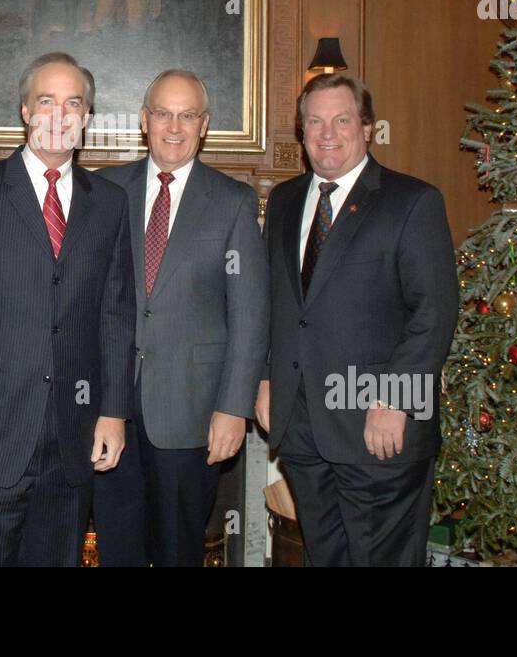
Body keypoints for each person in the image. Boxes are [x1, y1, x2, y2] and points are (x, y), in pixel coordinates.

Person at [0, 51, 135, 566]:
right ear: (25, 111)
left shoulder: (109, 203)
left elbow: (115, 315)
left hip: (73, 440)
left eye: (72, 104)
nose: (58, 116)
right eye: (46, 101)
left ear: (86, 118)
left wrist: (113, 412)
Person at [256, 74, 458, 566]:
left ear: (367, 128)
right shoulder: (283, 201)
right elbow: (275, 303)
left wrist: (397, 400)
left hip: (379, 429)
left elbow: (434, 312)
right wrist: (265, 378)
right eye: (314, 122)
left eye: (342, 120)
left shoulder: (412, 201)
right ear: (301, 132)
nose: (327, 134)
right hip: (302, 430)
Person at [93, 70, 268, 566]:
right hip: (110, 407)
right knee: (117, 549)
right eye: (164, 113)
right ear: (144, 121)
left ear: (204, 124)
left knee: (178, 551)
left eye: (187, 115)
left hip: (193, 414)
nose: (175, 126)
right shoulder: (105, 190)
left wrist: (235, 408)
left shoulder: (233, 201)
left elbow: (251, 315)